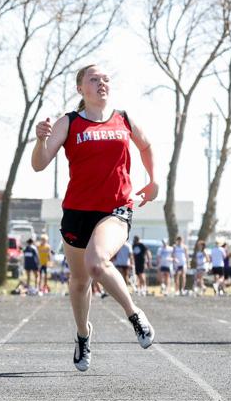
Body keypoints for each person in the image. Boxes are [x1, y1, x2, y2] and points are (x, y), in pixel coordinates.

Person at [31, 63, 158, 372]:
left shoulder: (123, 118)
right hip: (77, 212)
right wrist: (40, 139)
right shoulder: (70, 122)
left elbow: (146, 145)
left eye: (106, 79)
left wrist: (153, 181)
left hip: (115, 208)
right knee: (78, 281)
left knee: (97, 261)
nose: (102, 83)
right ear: (81, 89)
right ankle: (83, 334)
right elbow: (39, 164)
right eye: (94, 79)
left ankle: (134, 314)